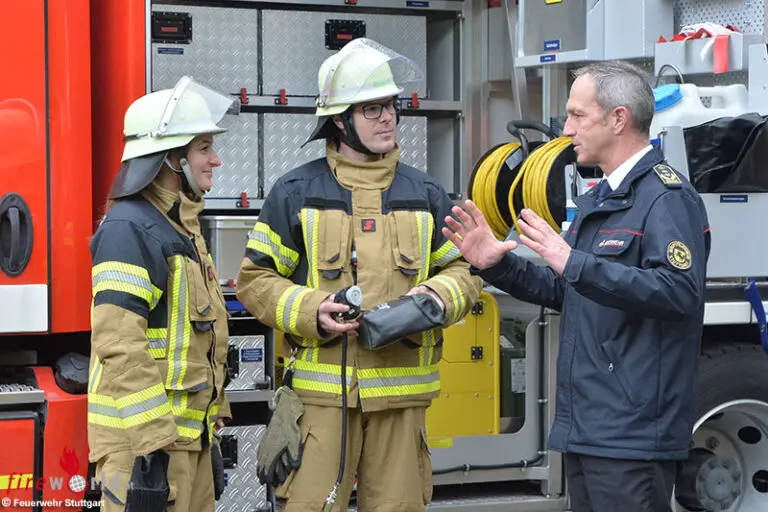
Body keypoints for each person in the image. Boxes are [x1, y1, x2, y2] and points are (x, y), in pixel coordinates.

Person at [443, 61, 711, 511]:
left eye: (578, 115)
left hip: (632, 433)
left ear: (618, 119)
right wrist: (495, 266)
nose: (566, 129)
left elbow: (678, 292)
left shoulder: (667, 199)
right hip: (588, 427)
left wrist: (575, 262)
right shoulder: (601, 198)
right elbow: (565, 288)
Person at [236, 38, 482, 511]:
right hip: (321, 406)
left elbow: (464, 269)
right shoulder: (296, 192)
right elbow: (255, 281)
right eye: (372, 109)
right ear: (339, 119)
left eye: (391, 106)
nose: (388, 118)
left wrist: (437, 296)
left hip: (402, 404)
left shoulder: (426, 193)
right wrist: (313, 310)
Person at [87, 76, 237, 511]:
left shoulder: (180, 227)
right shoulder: (130, 228)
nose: (216, 159)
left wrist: (212, 418)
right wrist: (153, 443)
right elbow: (118, 343)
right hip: (145, 449)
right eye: (204, 148)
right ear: (172, 158)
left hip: (186, 442)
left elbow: (197, 341)